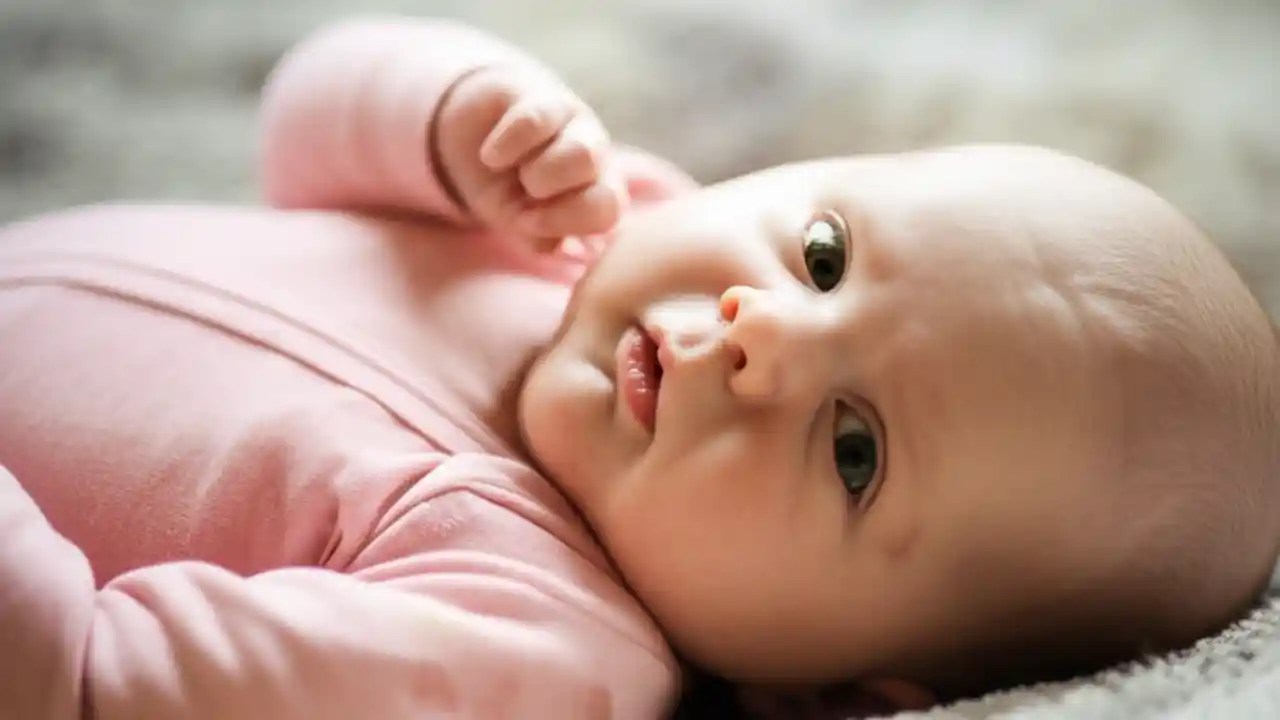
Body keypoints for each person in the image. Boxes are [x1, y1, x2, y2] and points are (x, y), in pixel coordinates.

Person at [1, 15, 1277, 720]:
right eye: (825, 256)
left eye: (855, 451)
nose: (761, 331)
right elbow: (302, 146)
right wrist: (447, 111)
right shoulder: (572, 227)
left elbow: (78, 686)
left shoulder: (528, 647)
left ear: (828, 694)